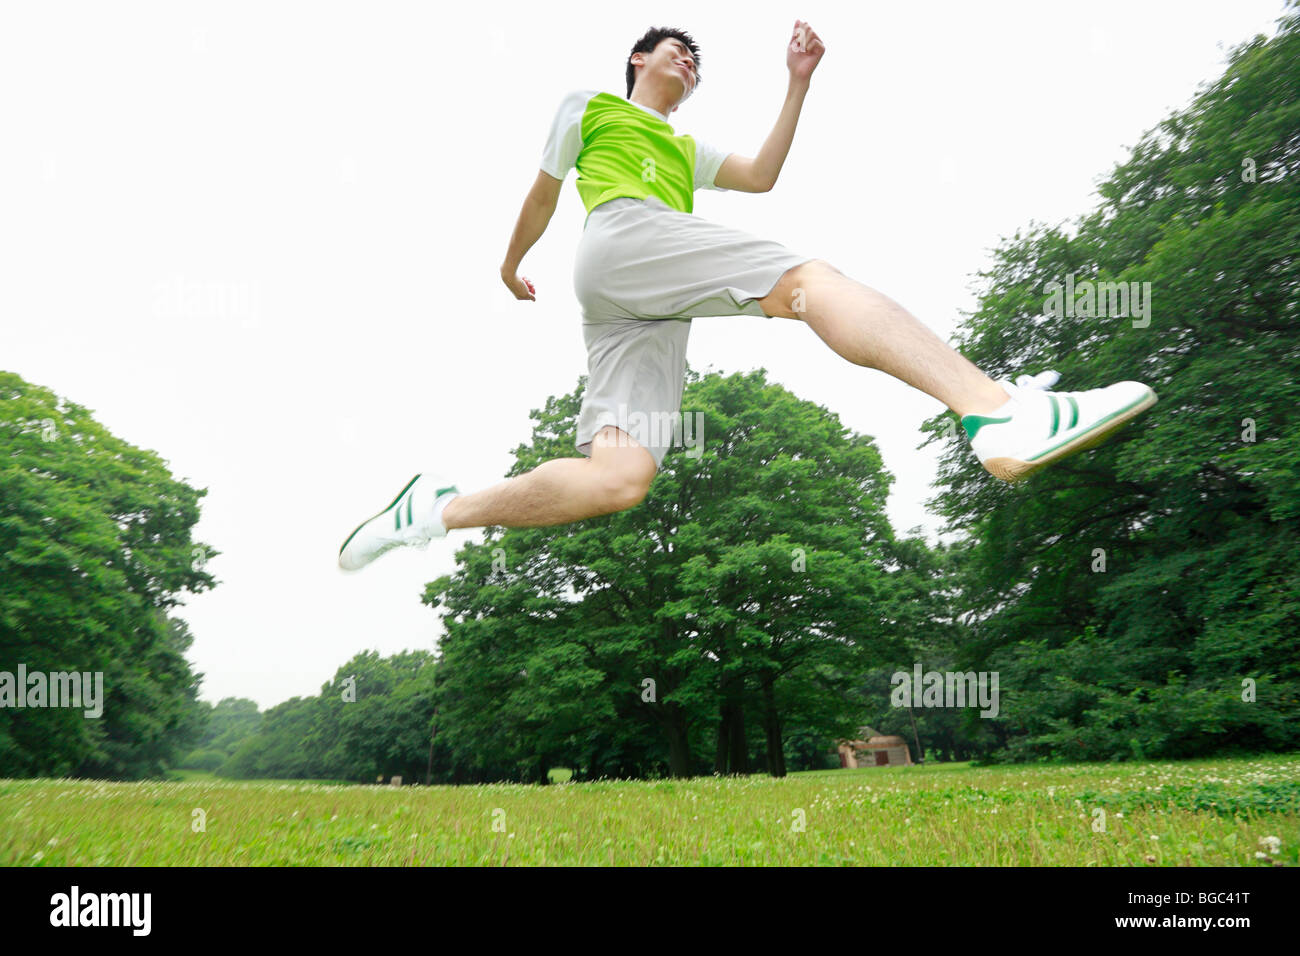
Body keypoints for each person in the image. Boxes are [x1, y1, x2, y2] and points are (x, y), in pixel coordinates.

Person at [339, 21, 1156, 572]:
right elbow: (544, 192)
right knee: (806, 282)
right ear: (637, 61)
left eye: (695, 62)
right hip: (623, 238)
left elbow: (761, 176)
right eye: (673, 53)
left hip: (638, 299)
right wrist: (511, 262)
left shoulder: (686, 145)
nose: (686, 66)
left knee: (620, 479)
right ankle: (993, 407)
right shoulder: (587, 107)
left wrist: (797, 83)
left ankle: (435, 511)